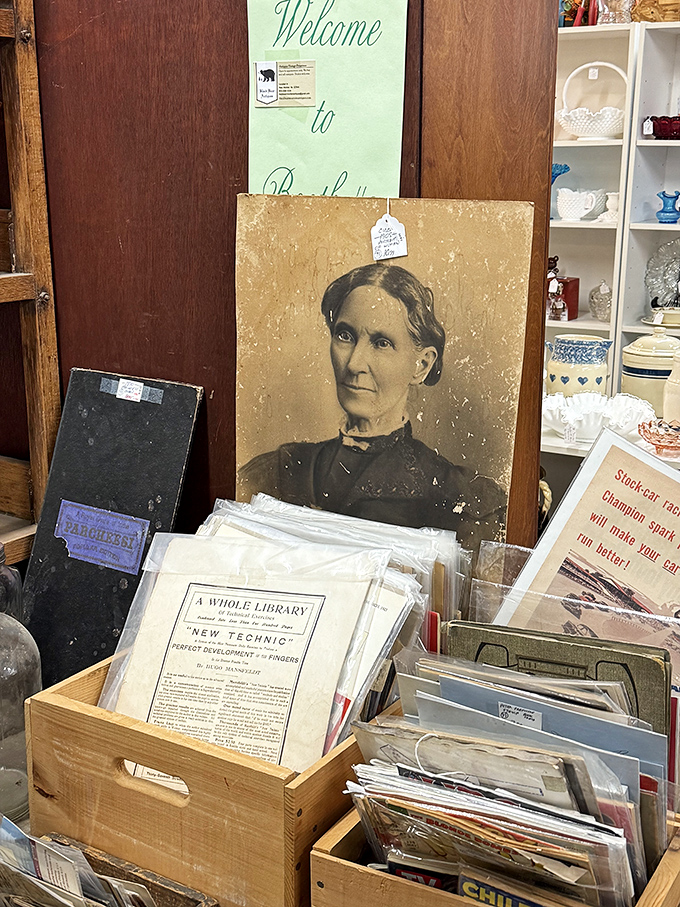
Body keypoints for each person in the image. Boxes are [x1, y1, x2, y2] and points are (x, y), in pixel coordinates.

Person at [238, 263, 506, 551]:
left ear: (421, 365)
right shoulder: (281, 470)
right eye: (345, 336)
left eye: (381, 343)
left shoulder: (456, 494)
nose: (354, 364)